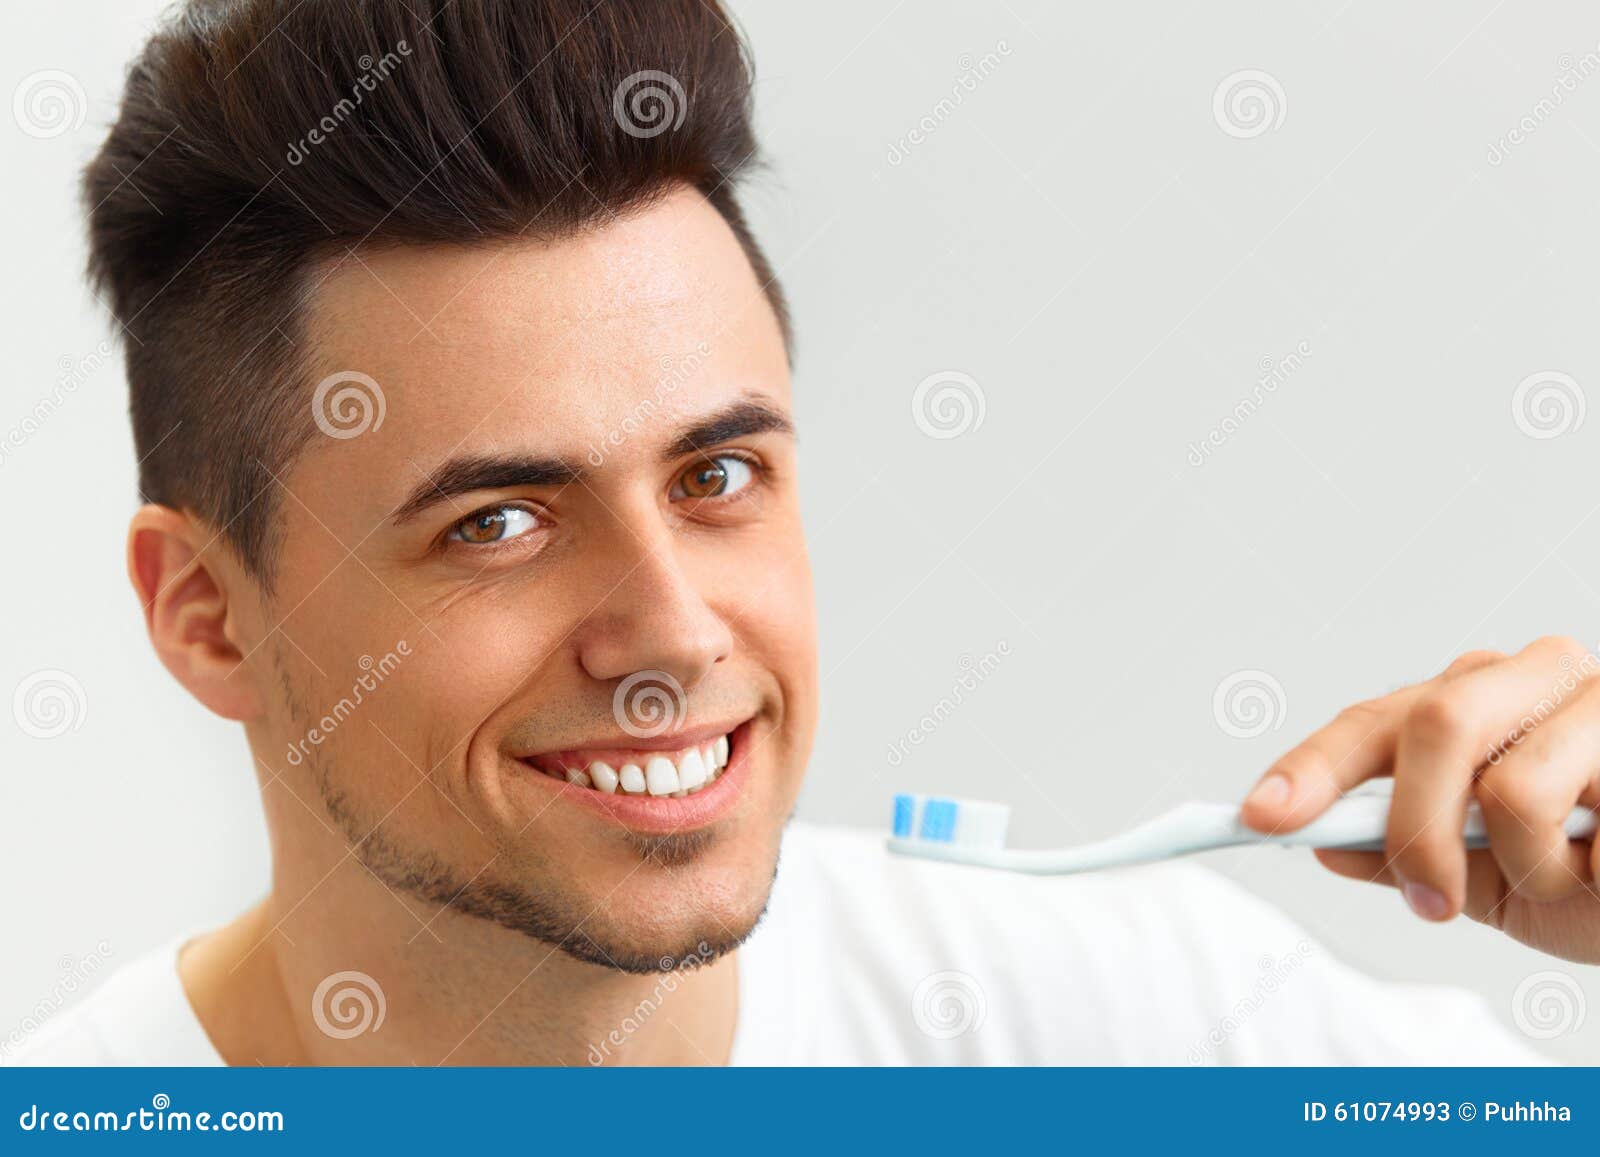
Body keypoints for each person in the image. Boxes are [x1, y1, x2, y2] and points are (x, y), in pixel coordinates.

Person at [12, 0, 1595, 1066]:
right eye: (498, 519)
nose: (674, 630)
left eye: (715, 477)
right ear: (206, 613)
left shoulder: (1126, 1024)